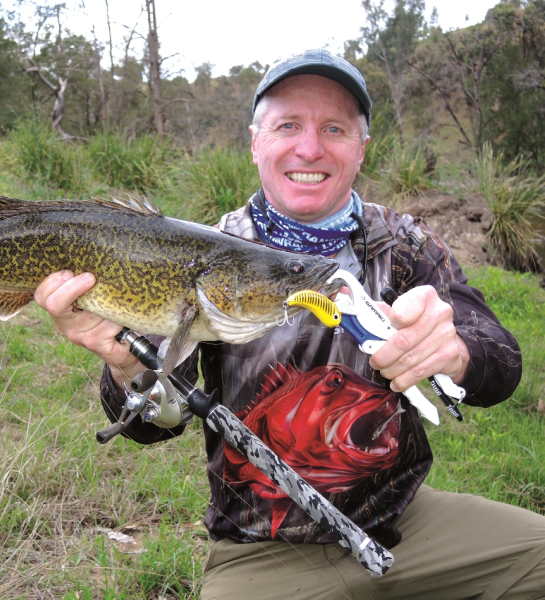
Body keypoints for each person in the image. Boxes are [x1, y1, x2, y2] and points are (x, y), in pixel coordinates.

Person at [34, 50, 545, 599]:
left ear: (361, 147)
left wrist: (458, 351)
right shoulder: (198, 254)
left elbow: (502, 366)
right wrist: (126, 368)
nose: (310, 148)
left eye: (334, 128)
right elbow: (148, 426)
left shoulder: (406, 246)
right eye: (288, 126)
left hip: (403, 524)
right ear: (256, 143)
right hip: (261, 548)